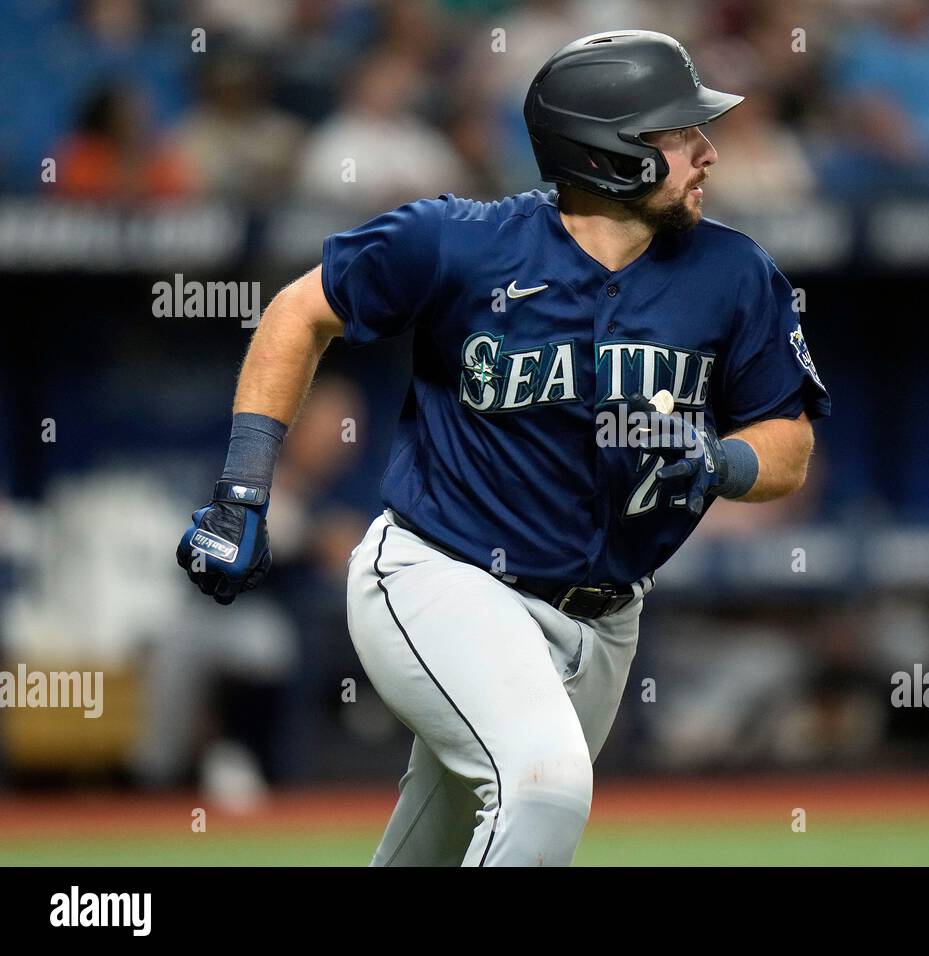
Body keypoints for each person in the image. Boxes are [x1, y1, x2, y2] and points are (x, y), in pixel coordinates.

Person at [176, 30, 830, 866]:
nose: (707, 152)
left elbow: (790, 441)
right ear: (611, 155)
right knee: (545, 786)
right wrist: (242, 491)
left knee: (443, 840)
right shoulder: (460, 242)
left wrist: (722, 462)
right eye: (677, 135)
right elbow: (297, 314)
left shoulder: (736, 273)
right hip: (440, 577)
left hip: (606, 618)